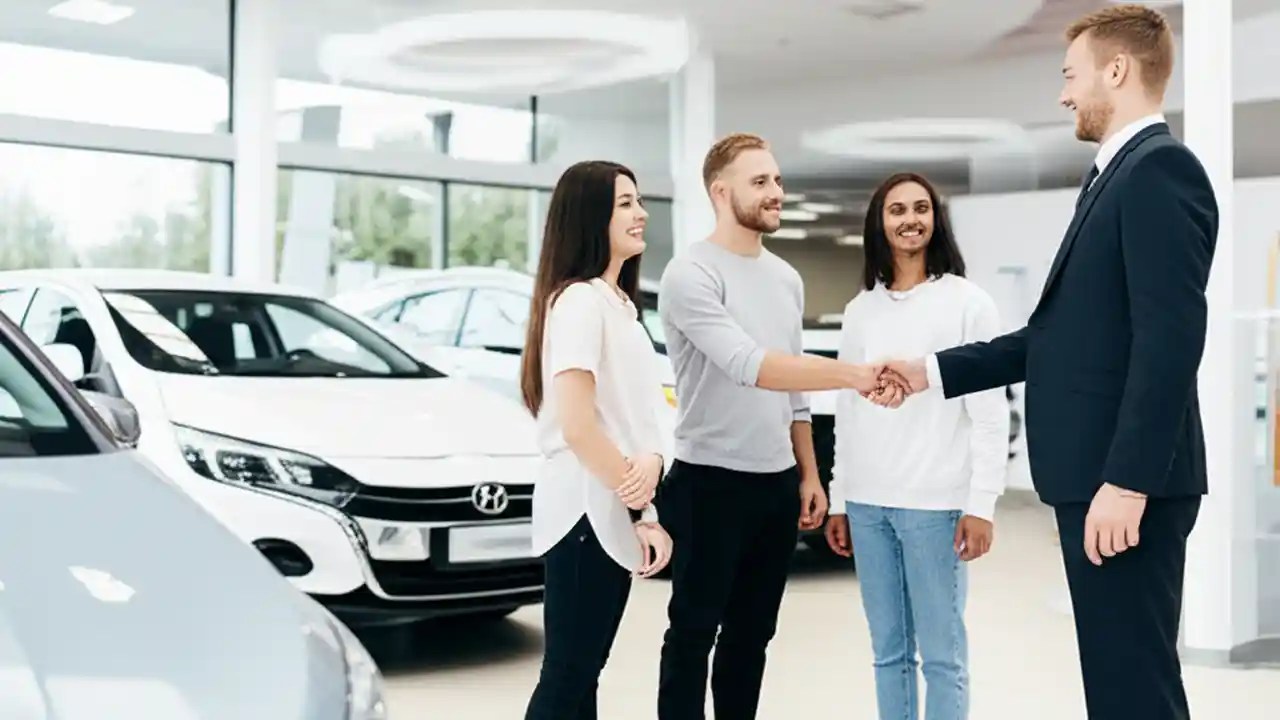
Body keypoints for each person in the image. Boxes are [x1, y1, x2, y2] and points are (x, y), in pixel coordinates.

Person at [878, 6, 1218, 719]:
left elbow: (1172, 337)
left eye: (1071, 75)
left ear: (1116, 71)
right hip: (1094, 478)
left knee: (1135, 686)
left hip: (1121, 485)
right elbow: (1056, 339)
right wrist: (930, 371)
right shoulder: (1115, 178)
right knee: (1119, 681)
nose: (1064, 94)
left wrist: (1127, 479)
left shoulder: (1160, 171)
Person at [655, 132, 898, 720]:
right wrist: (853, 375)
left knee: (751, 635)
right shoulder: (690, 274)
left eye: (778, 181)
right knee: (692, 632)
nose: (776, 192)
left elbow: (791, 396)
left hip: (775, 484)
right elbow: (749, 366)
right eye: (760, 181)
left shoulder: (786, 278)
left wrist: (809, 474)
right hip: (708, 481)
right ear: (721, 192)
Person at [825, 172, 1009, 720]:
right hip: (868, 503)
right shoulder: (861, 310)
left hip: (936, 505)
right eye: (897, 210)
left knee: (943, 658)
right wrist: (840, 499)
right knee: (888, 654)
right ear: (879, 223)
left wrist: (982, 505)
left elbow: (989, 413)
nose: (910, 219)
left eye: (921, 208)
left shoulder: (968, 303)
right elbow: (849, 413)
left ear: (936, 219)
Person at [520, 159, 675, 720]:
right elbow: (578, 426)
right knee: (569, 674)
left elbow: (631, 422)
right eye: (625, 203)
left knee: (581, 676)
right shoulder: (581, 300)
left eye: (638, 201)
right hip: (584, 510)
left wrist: (644, 504)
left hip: (608, 505)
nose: (641, 213)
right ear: (591, 217)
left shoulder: (618, 305)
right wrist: (642, 503)